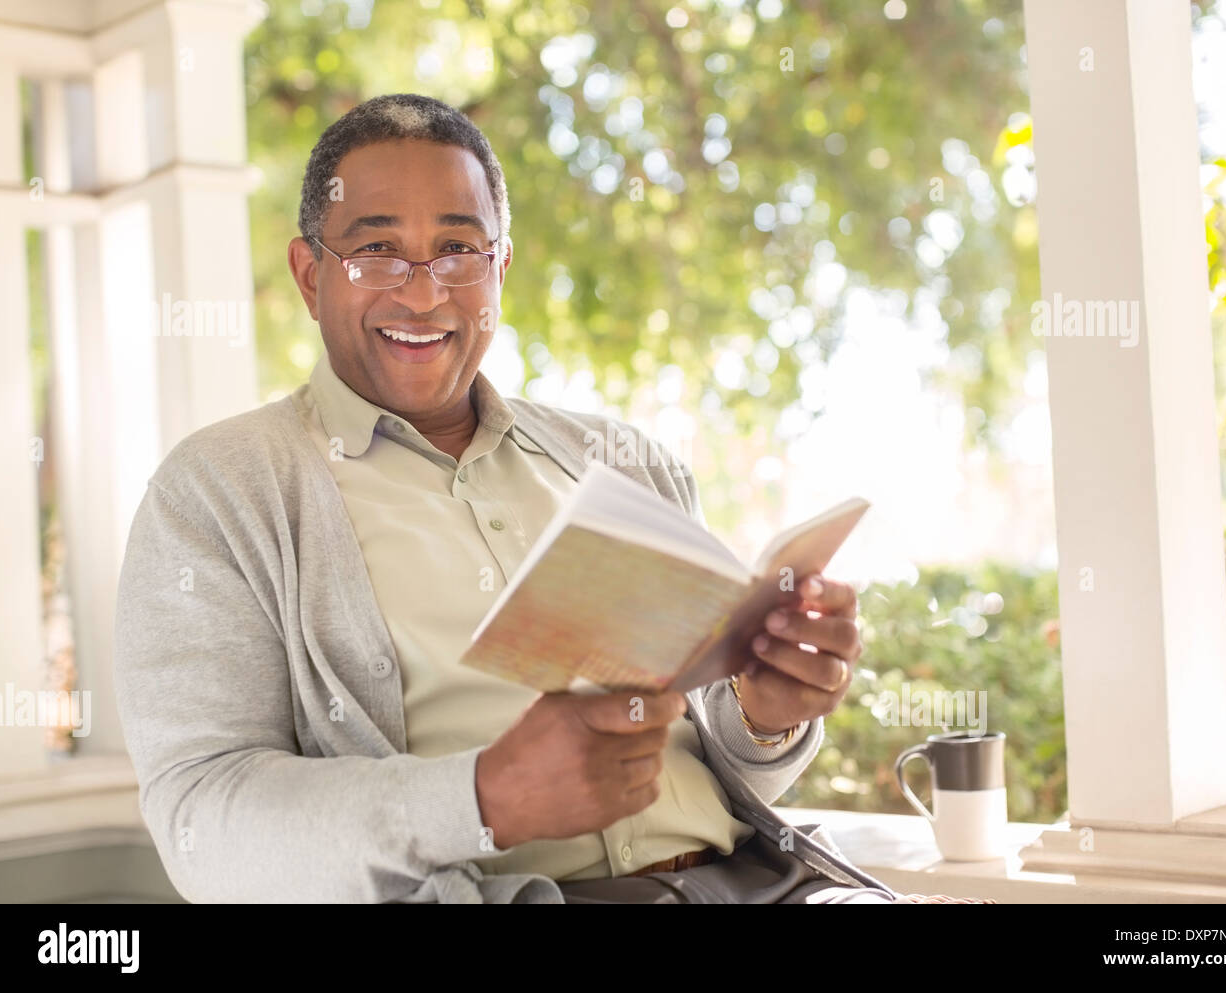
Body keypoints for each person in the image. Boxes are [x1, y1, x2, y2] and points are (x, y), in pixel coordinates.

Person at [113, 93, 993, 905]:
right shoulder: (220, 491)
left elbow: (718, 769)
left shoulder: (625, 463)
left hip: (762, 882)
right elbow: (203, 819)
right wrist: (485, 795)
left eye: (458, 248)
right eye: (376, 249)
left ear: (498, 267)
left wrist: (766, 714)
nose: (423, 291)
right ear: (311, 276)